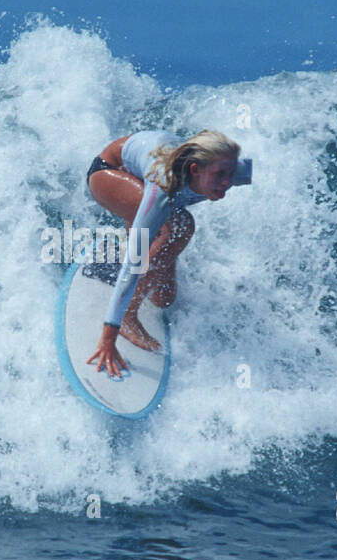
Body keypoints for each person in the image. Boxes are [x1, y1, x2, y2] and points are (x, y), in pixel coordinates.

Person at [85, 129, 245, 379]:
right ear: (195, 171)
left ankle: (109, 267)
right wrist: (109, 336)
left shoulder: (226, 168)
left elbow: (267, 172)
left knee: (164, 298)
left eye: (231, 174)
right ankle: (127, 316)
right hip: (110, 173)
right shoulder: (161, 185)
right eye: (219, 175)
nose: (227, 182)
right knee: (178, 227)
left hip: (143, 174)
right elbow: (135, 261)